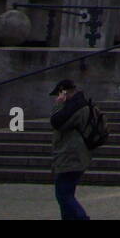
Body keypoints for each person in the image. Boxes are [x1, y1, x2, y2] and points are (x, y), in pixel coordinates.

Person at [49, 78, 93, 220]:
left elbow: (56, 122)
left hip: (70, 156)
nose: (57, 98)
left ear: (64, 92)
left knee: (63, 195)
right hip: (75, 155)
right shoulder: (80, 105)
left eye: (59, 94)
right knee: (66, 193)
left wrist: (58, 105)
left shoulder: (74, 107)